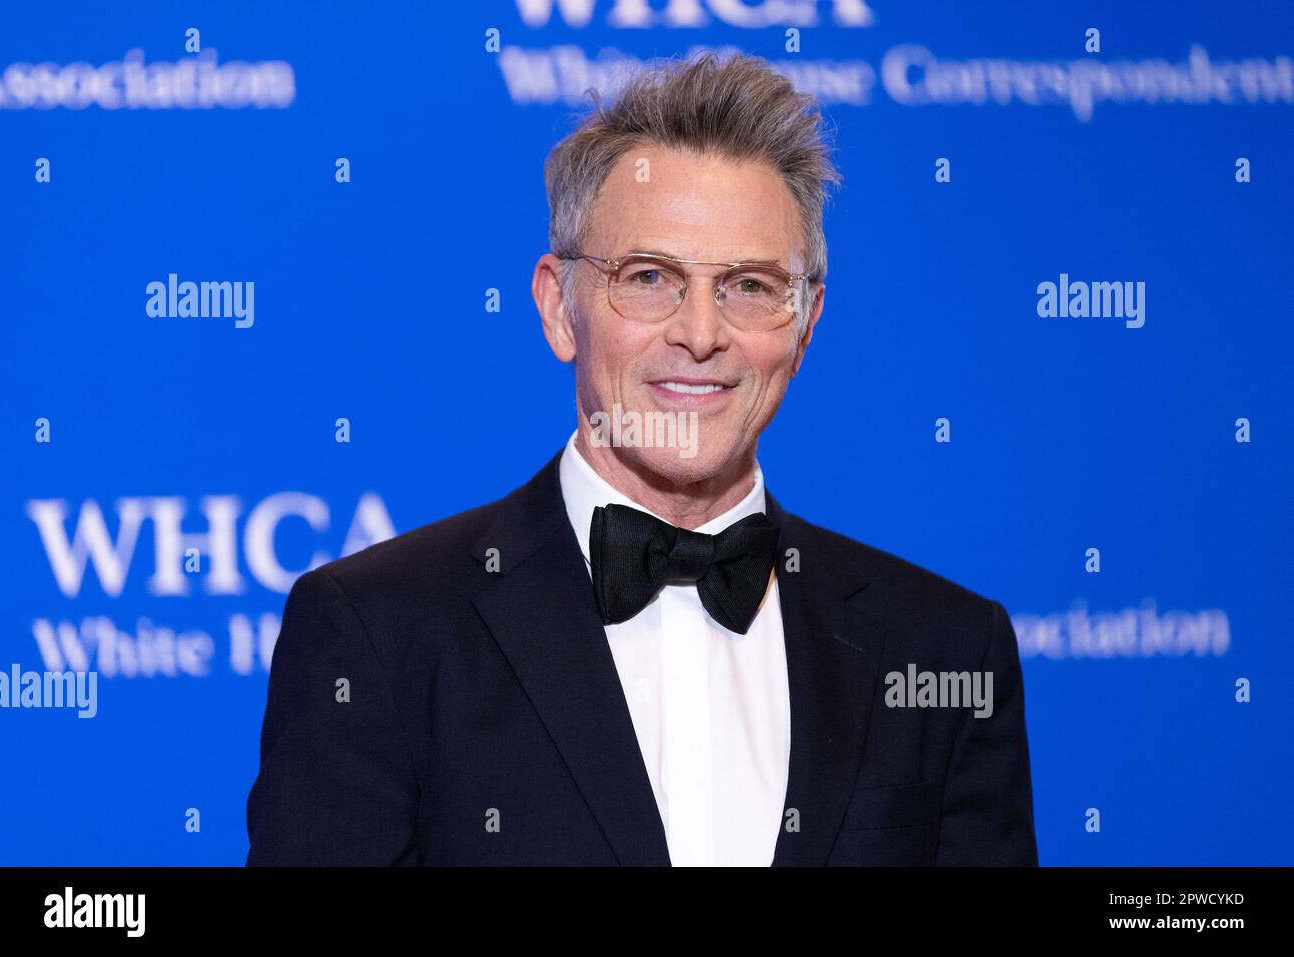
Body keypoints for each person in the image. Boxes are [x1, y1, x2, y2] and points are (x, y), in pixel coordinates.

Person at [246, 51, 1038, 867]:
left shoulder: (943, 647)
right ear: (560, 308)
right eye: (650, 276)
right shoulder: (381, 632)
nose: (700, 334)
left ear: (805, 323)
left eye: (751, 286)